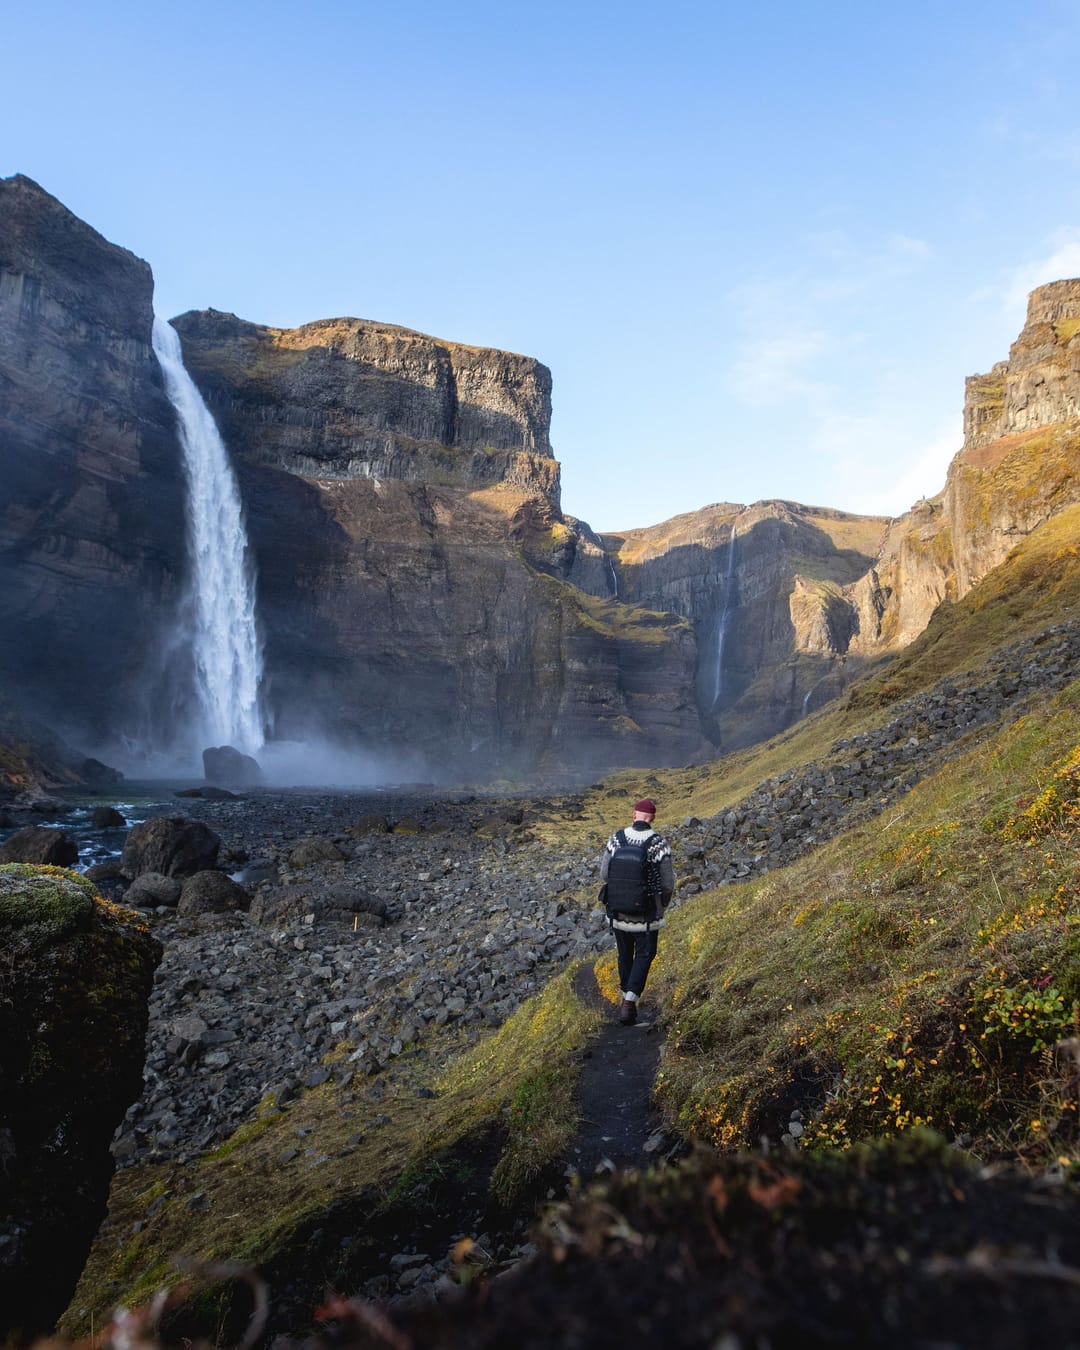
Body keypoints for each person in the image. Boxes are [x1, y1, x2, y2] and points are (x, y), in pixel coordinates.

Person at [599, 797, 675, 1025]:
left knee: (624, 955)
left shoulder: (616, 839)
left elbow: (604, 874)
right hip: (647, 916)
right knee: (645, 954)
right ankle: (629, 1001)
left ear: (634, 815)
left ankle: (626, 1001)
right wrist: (662, 906)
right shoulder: (658, 844)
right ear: (652, 818)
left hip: (618, 912)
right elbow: (667, 883)